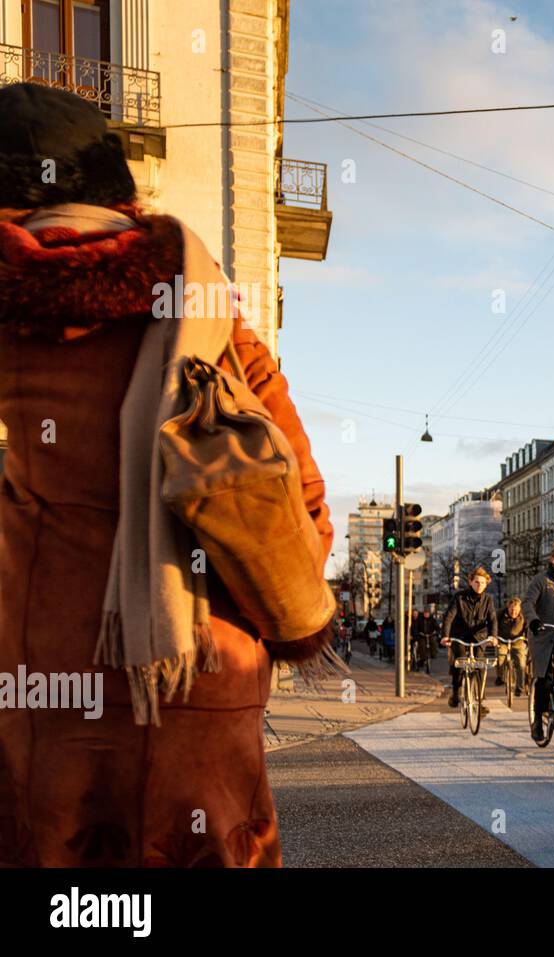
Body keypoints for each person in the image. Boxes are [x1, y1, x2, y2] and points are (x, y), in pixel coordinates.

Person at [0, 84, 335, 867]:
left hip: (45, 681)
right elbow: (300, 498)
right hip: (203, 676)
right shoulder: (203, 300)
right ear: (116, 182)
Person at [523, 542, 554, 743]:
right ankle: (537, 722)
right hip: (543, 636)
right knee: (544, 679)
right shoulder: (541, 581)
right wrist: (533, 621)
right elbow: (527, 603)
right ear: (553, 559)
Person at [441, 567, 498, 710]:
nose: (480, 586)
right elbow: (448, 617)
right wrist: (445, 636)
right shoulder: (459, 597)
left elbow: (492, 619)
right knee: (459, 662)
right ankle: (455, 692)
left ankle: (478, 699)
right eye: (477, 582)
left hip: (479, 636)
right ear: (471, 582)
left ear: (486, 584)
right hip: (459, 635)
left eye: (483, 583)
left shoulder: (488, 600)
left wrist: (493, 637)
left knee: (480, 664)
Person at [495, 597, 528, 695]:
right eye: (512, 609)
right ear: (508, 608)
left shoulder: (523, 616)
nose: (514, 612)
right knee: (500, 656)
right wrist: (494, 637)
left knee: (521, 663)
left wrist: (527, 637)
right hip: (503, 641)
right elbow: (494, 626)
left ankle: (520, 687)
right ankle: (500, 676)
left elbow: (528, 628)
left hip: (518, 642)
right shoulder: (500, 614)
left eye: (516, 610)